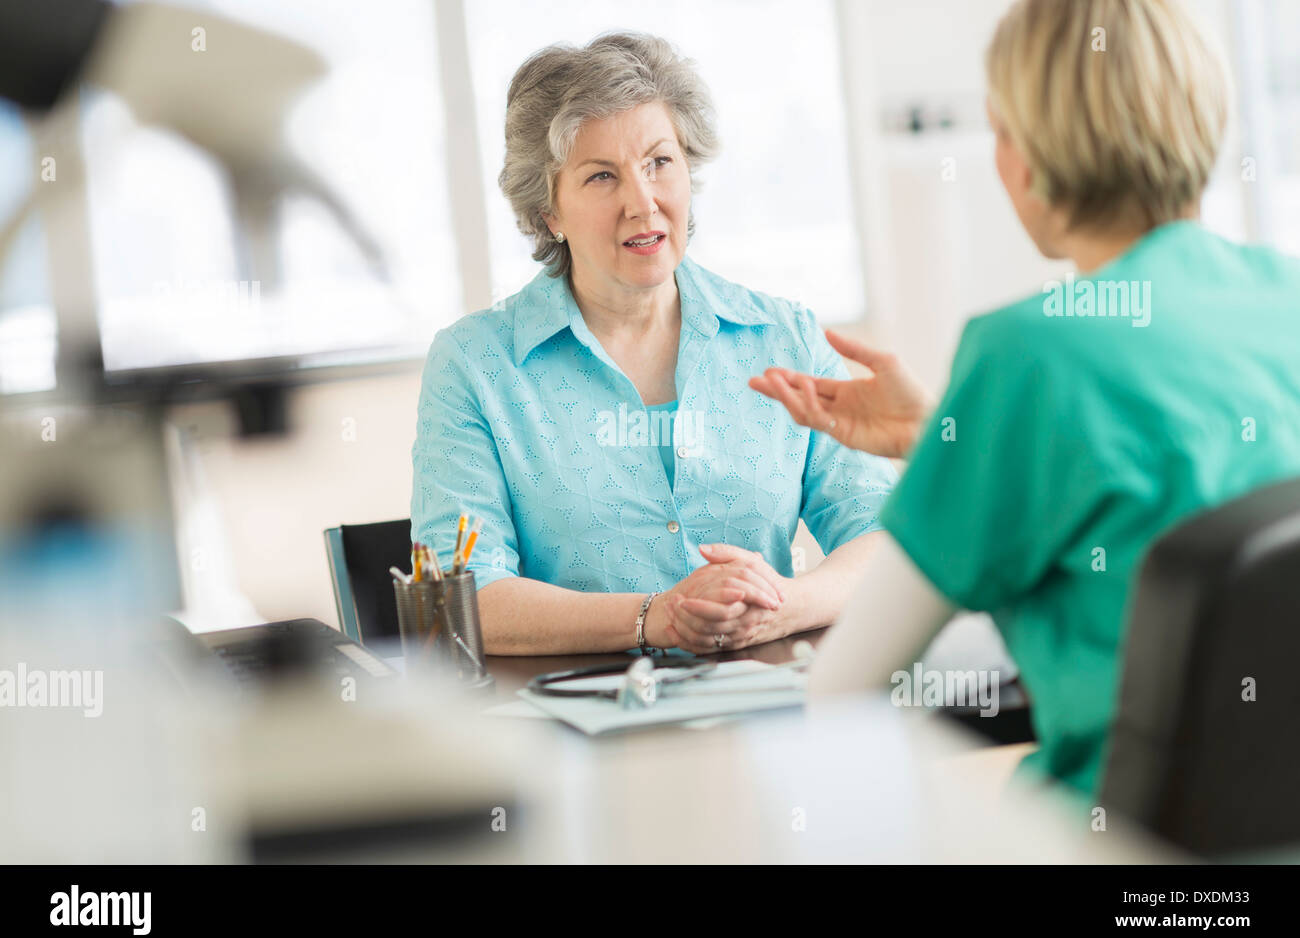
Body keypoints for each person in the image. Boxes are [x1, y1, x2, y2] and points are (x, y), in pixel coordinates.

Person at [753, 0, 1300, 799]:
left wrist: (974, 430)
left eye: (999, 130)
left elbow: (845, 691)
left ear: (1031, 156)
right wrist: (948, 435)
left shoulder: (1027, 355)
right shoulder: (1283, 296)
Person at [411, 33, 895, 655]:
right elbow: (462, 598)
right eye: (602, 176)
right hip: (574, 728)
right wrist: (655, 617)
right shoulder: (474, 365)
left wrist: (779, 606)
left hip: (765, 709)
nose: (643, 203)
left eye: (659, 163)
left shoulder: (784, 337)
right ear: (548, 211)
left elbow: (887, 534)